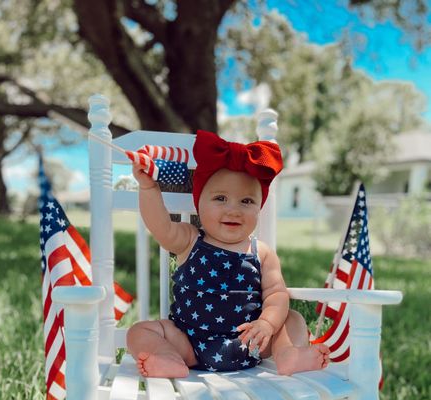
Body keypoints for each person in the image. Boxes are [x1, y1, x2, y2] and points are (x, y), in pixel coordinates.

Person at [126, 130, 330, 378]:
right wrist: (148, 187)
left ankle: (287, 354)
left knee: (292, 318)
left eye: (246, 201)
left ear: (258, 207)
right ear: (199, 203)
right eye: (220, 198)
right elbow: (159, 225)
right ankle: (168, 358)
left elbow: (276, 295)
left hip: (250, 342)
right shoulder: (190, 240)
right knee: (139, 331)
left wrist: (267, 324)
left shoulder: (262, 253)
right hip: (190, 344)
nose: (233, 210)